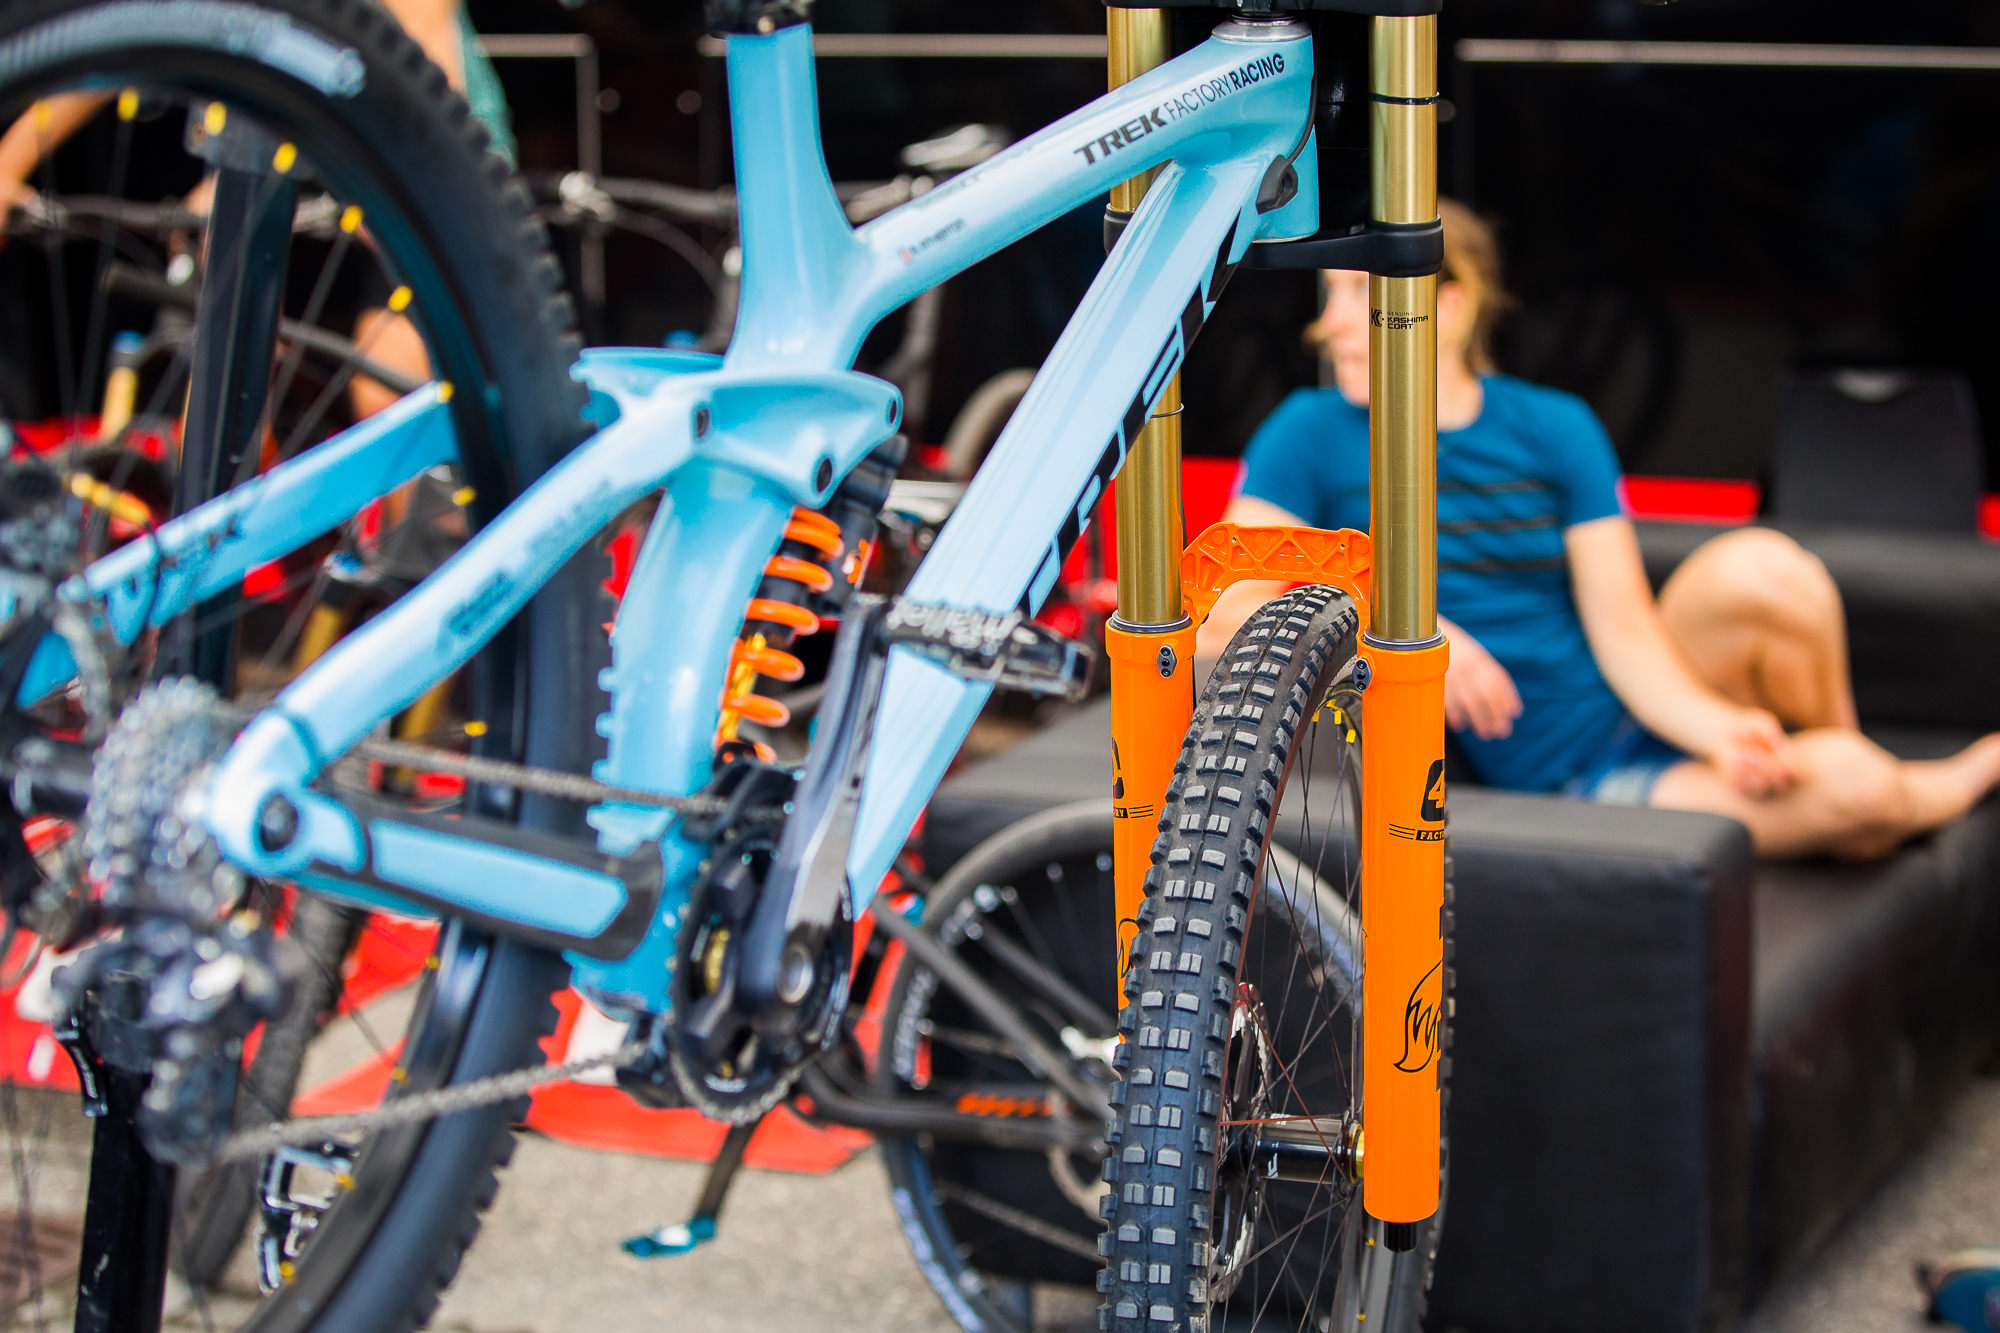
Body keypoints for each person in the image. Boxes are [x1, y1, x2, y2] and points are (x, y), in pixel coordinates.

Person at [1197, 198, 2000, 860]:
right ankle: (1939, 783)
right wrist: (1401, 623)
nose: (1325, 326)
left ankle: (1820, 763)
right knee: (1859, 788)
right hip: (1571, 775)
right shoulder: (1308, 431)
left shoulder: (1553, 424)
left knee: (1772, 571)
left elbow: (1626, 631)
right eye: (1327, 299)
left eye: (1351, 297)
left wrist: (1715, 728)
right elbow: (1221, 617)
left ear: (1447, 306)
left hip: (1627, 700)